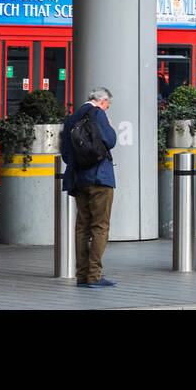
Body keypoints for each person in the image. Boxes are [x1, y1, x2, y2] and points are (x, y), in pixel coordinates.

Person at [61, 87, 118, 288]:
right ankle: (94, 276)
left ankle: (82, 276)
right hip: (100, 178)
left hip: (79, 179)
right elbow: (110, 140)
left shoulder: (72, 118)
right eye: (108, 105)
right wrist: (109, 127)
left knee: (82, 228)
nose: (107, 108)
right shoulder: (98, 114)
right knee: (100, 227)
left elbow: (65, 154)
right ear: (102, 101)